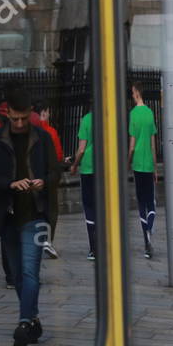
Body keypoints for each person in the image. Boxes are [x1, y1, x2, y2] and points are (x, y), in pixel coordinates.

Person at [0, 87, 61, 346]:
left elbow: (55, 173)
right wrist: (10, 183)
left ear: (30, 115)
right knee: (17, 275)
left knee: (29, 271)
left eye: (24, 118)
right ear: (8, 113)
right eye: (15, 119)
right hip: (8, 216)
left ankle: (23, 323)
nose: (20, 124)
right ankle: (33, 318)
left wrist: (41, 182)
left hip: (35, 215)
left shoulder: (43, 139)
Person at [129, 82, 158, 258]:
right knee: (151, 202)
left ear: (137, 92)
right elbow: (154, 144)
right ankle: (150, 229)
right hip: (148, 163)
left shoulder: (133, 114)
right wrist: (155, 167)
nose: (132, 95)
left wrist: (127, 161)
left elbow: (131, 145)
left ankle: (146, 240)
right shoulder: (150, 113)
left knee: (141, 203)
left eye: (133, 92)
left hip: (137, 163)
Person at [35, 102, 64, 258]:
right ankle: (47, 241)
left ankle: (38, 241)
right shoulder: (50, 132)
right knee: (51, 211)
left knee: (38, 210)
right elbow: (58, 155)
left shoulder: (30, 131)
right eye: (48, 111)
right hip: (49, 177)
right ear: (44, 112)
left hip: (34, 177)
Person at [71, 104, 98, 260]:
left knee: (89, 206)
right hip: (104, 169)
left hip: (88, 168)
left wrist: (74, 164)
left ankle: (93, 248)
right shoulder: (107, 119)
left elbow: (81, 149)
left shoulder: (86, 120)